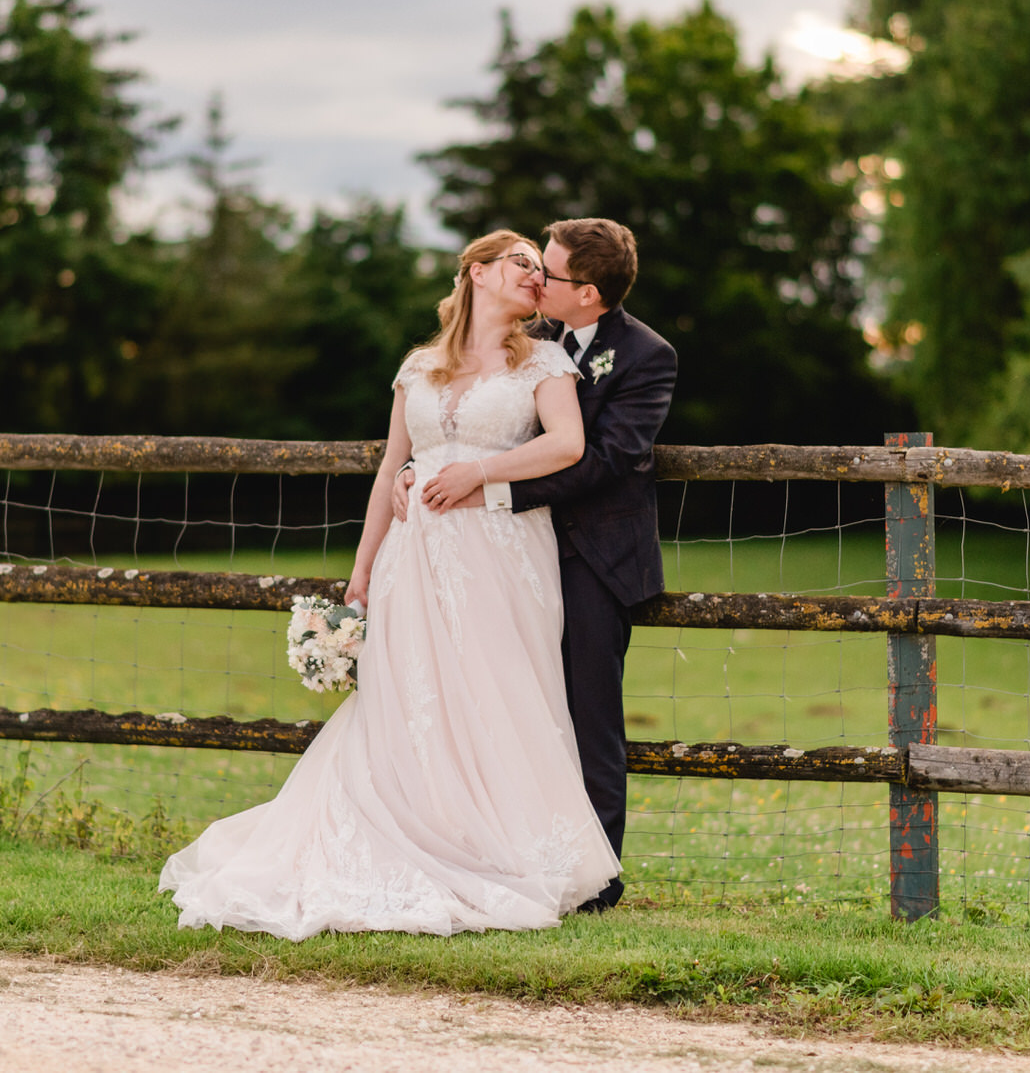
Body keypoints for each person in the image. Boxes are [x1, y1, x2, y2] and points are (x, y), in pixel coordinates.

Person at [159, 230, 620, 939]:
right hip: (415, 552)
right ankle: (402, 830)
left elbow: (567, 445)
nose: (536, 276)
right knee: (407, 693)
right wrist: (364, 570)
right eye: (521, 263)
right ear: (477, 271)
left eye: (541, 266)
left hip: (502, 554)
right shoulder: (419, 367)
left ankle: (493, 849)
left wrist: (481, 472)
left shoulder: (545, 361)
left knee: (493, 690)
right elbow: (389, 469)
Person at [397, 218, 676, 913]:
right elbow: (469, 412)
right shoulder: (534, 337)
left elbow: (604, 458)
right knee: (498, 701)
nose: (535, 280)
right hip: (503, 551)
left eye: (548, 274)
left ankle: (596, 882)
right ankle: (488, 847)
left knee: (585, 716)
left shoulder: (646, 355)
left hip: (593, 557)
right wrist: (419, 469)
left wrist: (490, 487)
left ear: (587, 293)